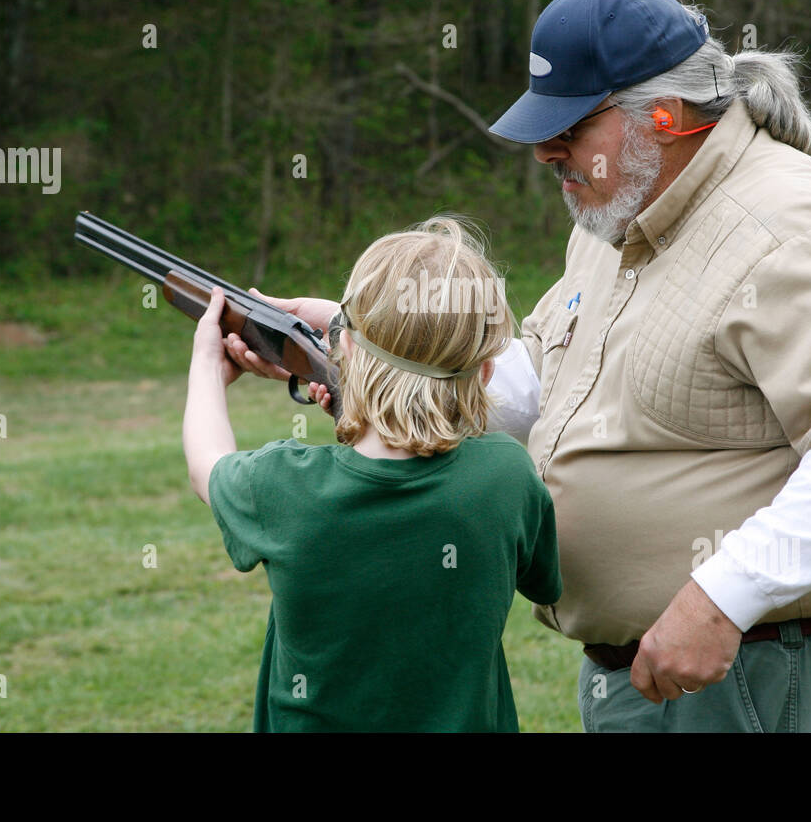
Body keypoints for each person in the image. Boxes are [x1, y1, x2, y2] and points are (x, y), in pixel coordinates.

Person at [480, 0, 811, 731]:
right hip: (653, 674)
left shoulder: (794, 223)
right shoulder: (613, 218)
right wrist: (366, 358)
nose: (546, 153)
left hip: (767, 673)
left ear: (663, 115)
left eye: (570, 129)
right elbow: (541, 382)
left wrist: (721, 596)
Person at [182, 216, 562, 732]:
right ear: (488, 371)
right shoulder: (506, 476)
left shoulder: (282, 485)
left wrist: (207, 364)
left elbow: (206, 463)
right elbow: (541, 581)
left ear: (344, 349)